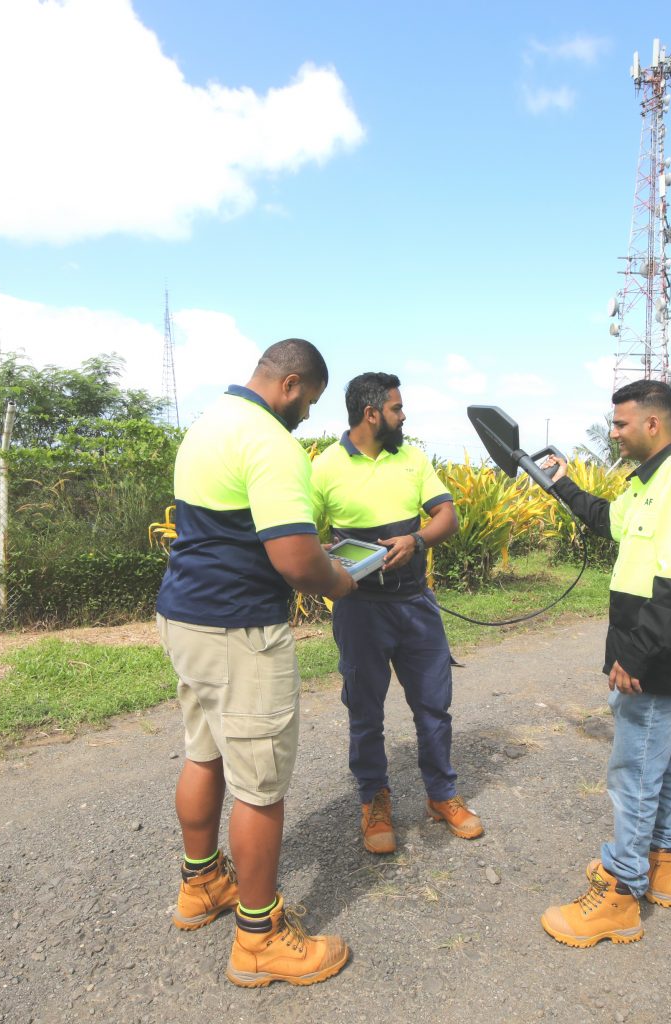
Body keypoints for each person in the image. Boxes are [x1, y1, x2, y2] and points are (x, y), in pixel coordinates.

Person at [155, 338, 359, 987]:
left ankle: (202, 886)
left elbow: (234, 530)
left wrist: (308, 549)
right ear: (292, 385)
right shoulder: (271, 441)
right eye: (311, 403)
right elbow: (297, 562)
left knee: (204, 751)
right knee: (261, 786)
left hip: (185, 617)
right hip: (239, 629)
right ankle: (259, 937)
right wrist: (342, 579)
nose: (307, 416)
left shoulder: (209, 424)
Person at [536, 379, 671, 948]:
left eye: (619, 424)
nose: (612, 433)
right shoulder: (648, 483)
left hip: (655, 651)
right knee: (656, 762)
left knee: (634, 769)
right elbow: (608, 522)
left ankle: (621, 891)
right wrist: (560, 485)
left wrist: (633, 655)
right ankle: (660, 860)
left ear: (652, 424)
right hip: (648, 645)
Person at [310, 372, 480, 856]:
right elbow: (300, 531)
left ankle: (442, 795)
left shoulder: (412, 458)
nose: (403, 416)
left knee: (433, 707)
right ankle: (374, 801)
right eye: (397, 408)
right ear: (371, 414)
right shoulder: (325, 467)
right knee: (365, 713)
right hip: (359, 610)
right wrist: (322, 552)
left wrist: (418, 538)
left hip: (415, 603)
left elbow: (446, 514)